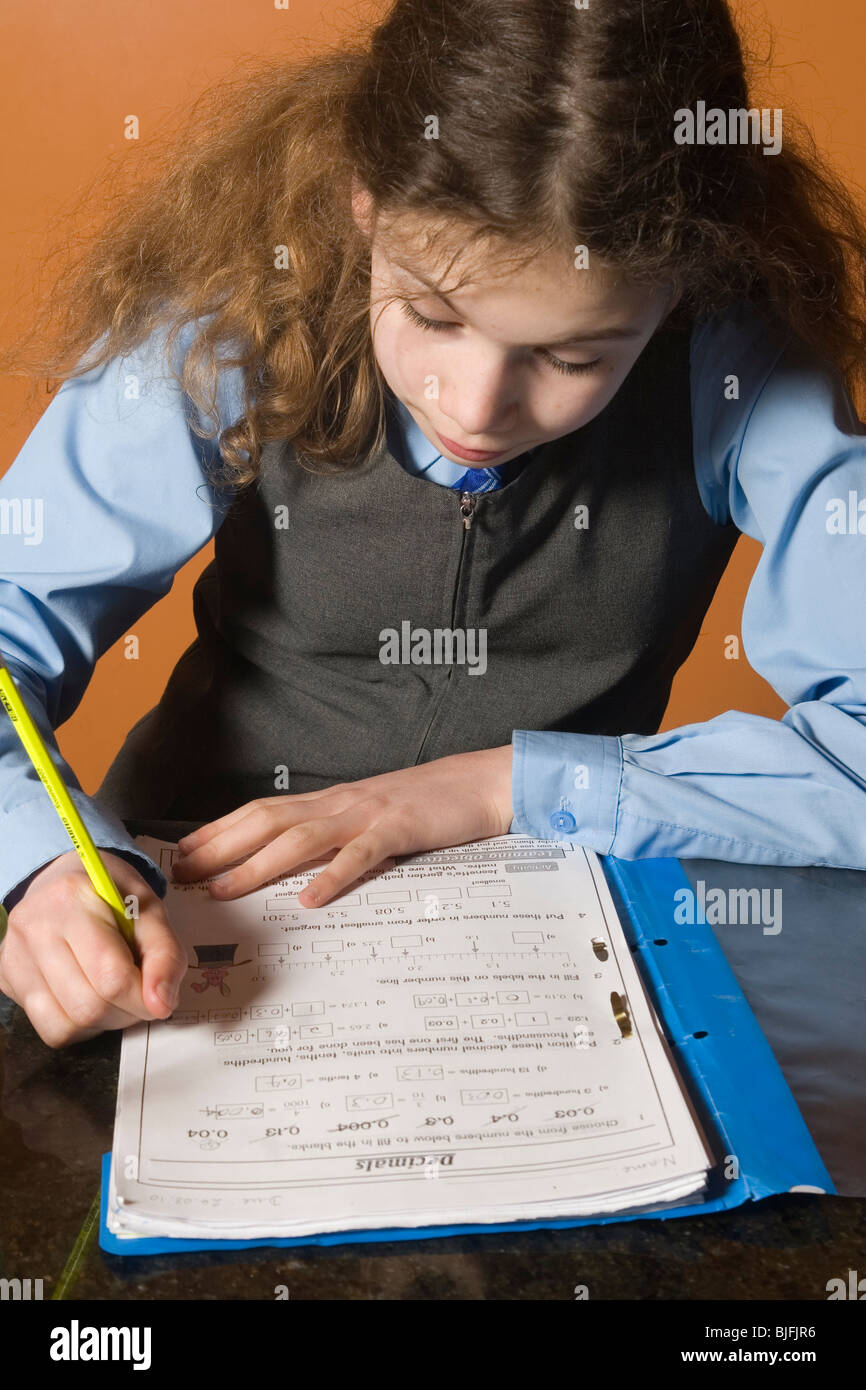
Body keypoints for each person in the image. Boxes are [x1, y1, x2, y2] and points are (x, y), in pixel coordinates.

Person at [1, 0, 865, 1049]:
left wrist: (501, 785)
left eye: (571, 356)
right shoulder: (235, 314)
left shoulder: (740, 364)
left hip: (552, 943)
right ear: (367, 205)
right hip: (191, 903)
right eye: (432, 316)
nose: (473, 406)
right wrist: (42, 864)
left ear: (682, 282)